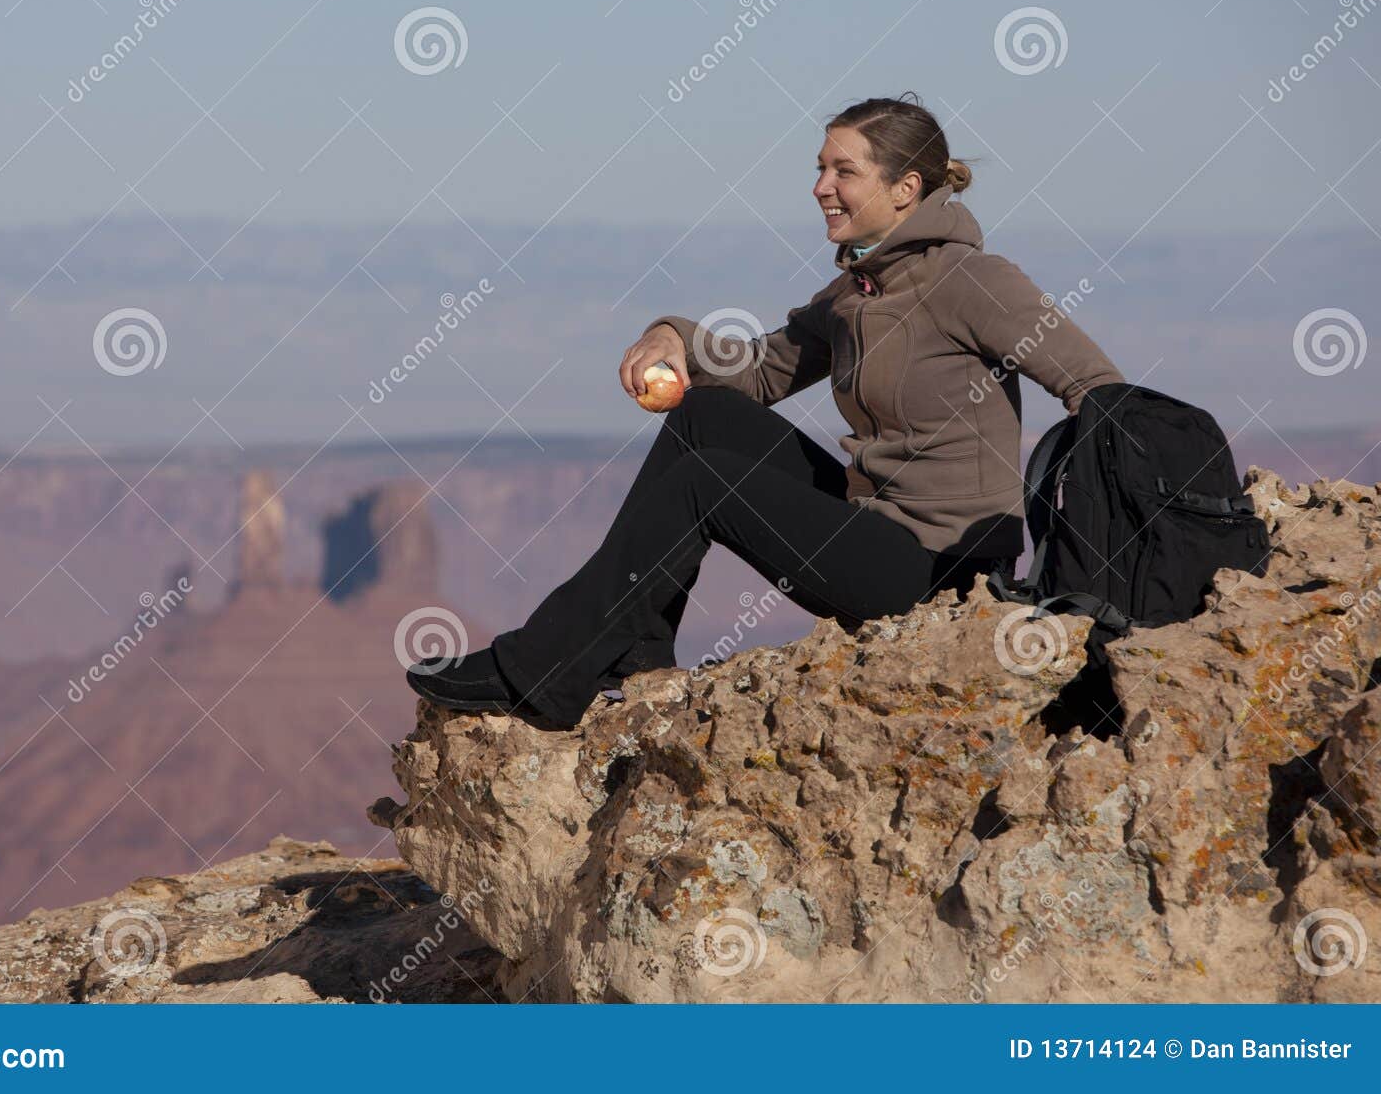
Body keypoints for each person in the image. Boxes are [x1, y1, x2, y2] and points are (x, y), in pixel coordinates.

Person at [406, 92, 1124, 728]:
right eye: (820, 168)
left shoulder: (973, 281)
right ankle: (633, 653)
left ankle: (539, 673)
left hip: (940, 571)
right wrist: (674, 335)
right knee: (703, 419)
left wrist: (1080, 550)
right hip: (872, 527)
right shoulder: (857, 293)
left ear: (906, 187)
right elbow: (756, 373)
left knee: (706, 483)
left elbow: (1097, 387)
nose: (821, 187)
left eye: (844, 171)